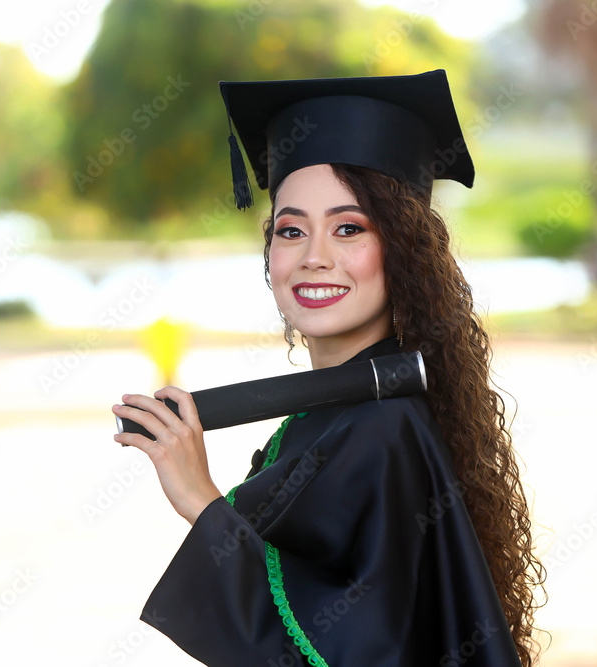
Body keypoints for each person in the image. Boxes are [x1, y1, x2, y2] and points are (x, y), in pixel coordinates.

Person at [112, 70, 547, 667]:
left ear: (404, 249)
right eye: (291, 230)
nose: (315, 257)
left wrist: (201, 501)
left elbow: (357, 650)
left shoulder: (386, 429)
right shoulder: (328, 414)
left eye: (349, 228)